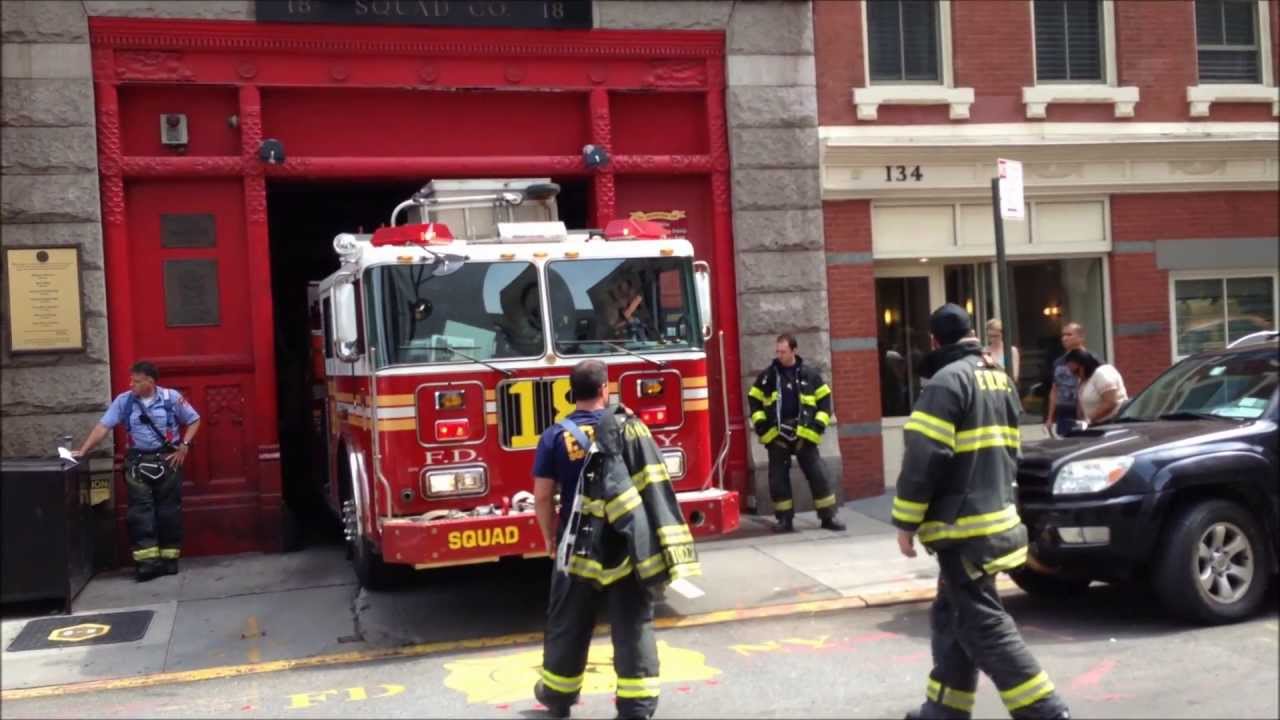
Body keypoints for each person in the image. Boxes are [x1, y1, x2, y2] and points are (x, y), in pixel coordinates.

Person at [893, 304, 1070, 720]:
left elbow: (924, 460)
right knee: (951, 616)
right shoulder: (1000, 379)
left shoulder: (944, 383)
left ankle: (1045, 711)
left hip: (965, 531)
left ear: (935, 341)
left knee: (983, 625)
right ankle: (945, 709)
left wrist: (905, 522)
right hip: (996, 521)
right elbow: (1014, 449)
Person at [532, 360, 699, 720]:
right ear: (605, 390)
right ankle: (636, 706)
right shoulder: (632, 429)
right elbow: (653, 483)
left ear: (571, 394)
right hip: (627, 547)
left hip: (576, 548)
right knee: (633, 624)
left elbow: (543, 496)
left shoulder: (553, 437)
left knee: (568, 623)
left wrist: (549, 540)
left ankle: (558, 699)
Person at [73, 361, 201, 582]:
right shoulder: (124, 401)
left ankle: (169, 560)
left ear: (150, 382)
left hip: (167, 462)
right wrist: (83, 450)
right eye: (131, 379)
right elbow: (103, 427)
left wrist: (185, 446)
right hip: (137, 463)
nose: (131, 383)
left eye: (137, 380)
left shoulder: (171, 398)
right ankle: (147, 564)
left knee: (168, 511)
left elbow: (194, 419)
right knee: (140, 514)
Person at [747, 334, 845, 533]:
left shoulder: (810, 375)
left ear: (794, 350)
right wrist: (762, 426)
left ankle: (828, 517)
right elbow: (754, 400)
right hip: (777, 436)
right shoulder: (768, 377)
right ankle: (785, 520)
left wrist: (817, 427)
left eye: (783, 351)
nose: (780, 355)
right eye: (778, 351)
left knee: (819, 477)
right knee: (778, 479)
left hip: (805, 436)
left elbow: (825, 402)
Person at [1063, 349, 1128, 426]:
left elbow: (1111, 402)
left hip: (1111, 423)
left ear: (1084, 364)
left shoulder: (1102, 373)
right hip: (1094, 424)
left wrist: (1088, 419)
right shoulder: (1083, 379)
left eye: (1076, 371)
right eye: (1072, 372)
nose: (1075, 375)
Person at [1044, 323, 1086, 438]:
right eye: (1063, 335)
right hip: (1063, 414)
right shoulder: (1059, 362)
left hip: (1082, 414)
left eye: (1069, 334)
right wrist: (1050, 418)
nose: (1064, 338)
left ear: (1080, 337)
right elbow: (1054, 390)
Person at [984, 319, 1020, 384]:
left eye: (996, 336)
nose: (992, 339)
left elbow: (1014, 377)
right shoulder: (984, 351)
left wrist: (994, 366)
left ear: (1002, 334)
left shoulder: (1011, 351)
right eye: (989, 336)